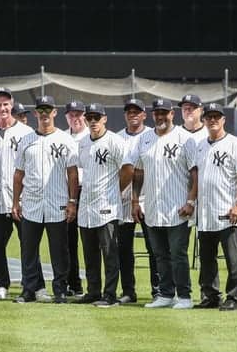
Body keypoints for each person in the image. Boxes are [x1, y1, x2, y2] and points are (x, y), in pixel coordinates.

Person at [121, 98, 197, 310]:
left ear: (172, 114)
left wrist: (191, 201)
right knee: (160, 254)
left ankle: (184, 296)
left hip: (178, 206)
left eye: (165, 112)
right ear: (152, 115)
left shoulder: (184, 138)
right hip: (153, 207)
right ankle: (165, 294)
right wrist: (135, 201)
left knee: (178, 254)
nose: (161, 116)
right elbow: (137, 171)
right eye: (157, 113)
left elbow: (195, 173)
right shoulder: (144, 139)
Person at [12, 95, 79, 304]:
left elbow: (73, 174)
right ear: (35, 113)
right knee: (28, 249)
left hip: (57, 201)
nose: (44, 115)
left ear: (55, 112)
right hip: (31, 202)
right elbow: (18, 174)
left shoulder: (65, 140)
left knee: (59, 250)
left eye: (47, 110)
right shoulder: (26, 140)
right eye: (40, 111)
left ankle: (60, 289)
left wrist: (72, 201)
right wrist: (15, 202)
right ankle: (29, 290)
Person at [0, 88, 38, 301]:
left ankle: (32, 284)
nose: (2, 108)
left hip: (22, 199)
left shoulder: (25, 132)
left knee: (28, 243)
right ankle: (1, 284)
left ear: (11, 104)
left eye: (6, 104)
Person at [193, 103, 237, 311]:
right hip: (206, 213)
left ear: (223, 120)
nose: (213, 120)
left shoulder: (235, 144)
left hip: (228, 212)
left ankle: (233, 298)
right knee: (207, 259)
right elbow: (197, 177)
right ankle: (210, 296)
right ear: (204, 120)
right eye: (209, 117)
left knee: (232, 259)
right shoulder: (200, 145)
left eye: (217, 117)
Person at [76, 104, 127, 307]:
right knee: (90, 253)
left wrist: (115, 190)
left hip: (108, 206)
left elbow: (128, 169)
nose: (93, 121)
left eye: (97, 117)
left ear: (104, 119)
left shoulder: (115, 141)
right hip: (86, 205)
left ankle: (110, 294)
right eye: (90, 117)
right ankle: (93, 291)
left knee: (109, 253)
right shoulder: (82, 143)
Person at [116, 98, 158, 304]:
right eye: (129, 111)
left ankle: (158, 290)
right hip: (122, 200)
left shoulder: (152, 136)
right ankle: (128, 291)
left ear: (144, 115)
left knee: (154, 248)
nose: (133, 114)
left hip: (148, 198)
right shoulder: (116, 138)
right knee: (123, 248)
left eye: (137, 111)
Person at [64, 100, 87, 297]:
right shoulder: (62, 137)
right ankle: (73, 284)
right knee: (69, 241)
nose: (75, 118)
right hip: (68, 192)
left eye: (79, 114)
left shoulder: (93, 135)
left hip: (89, 191)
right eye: (72, 115)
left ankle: (98, 285)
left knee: (92, 242)